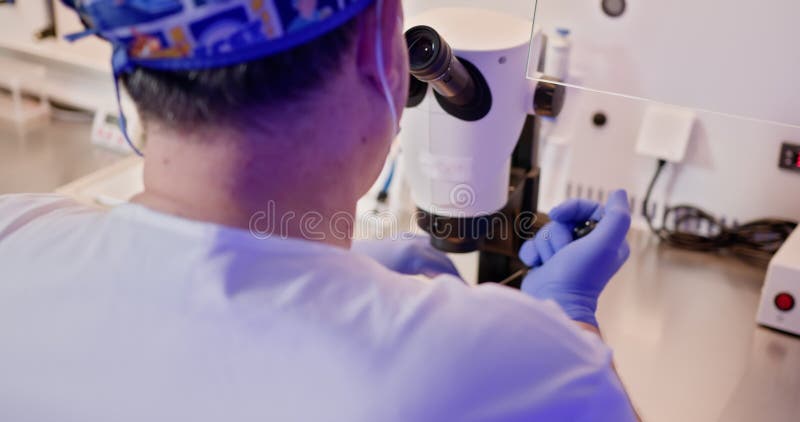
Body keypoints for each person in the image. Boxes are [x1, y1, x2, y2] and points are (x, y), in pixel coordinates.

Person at [0, 0, 638, 420]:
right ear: (377, 53)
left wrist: (344, 265)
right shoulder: (509, 366)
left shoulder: (14, 237)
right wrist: (569, 326)